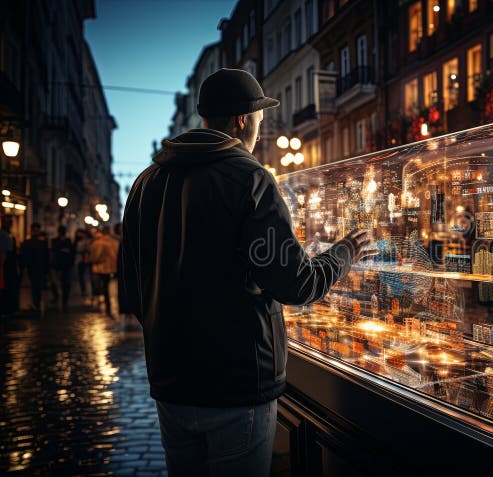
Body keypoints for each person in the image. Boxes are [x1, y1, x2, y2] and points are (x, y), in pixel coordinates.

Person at [120, 68, 373, 477]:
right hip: (238, 386)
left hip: (171, 383)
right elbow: (297, 282)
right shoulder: (250, 179)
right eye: (259, 117)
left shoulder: (146, 183)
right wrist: (344, 252)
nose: (260, 127)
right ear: (242, 120)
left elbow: (133, 290)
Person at [89, 226, 118, 317]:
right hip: (112, 268)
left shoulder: (98, 243)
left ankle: (106, 304)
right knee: (108, 286)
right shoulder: (114, 242)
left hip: (101, 268)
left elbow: (95, 257)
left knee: (102, 286)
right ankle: (107, 304)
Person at [19, 223, 49, 312]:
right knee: (36, 286)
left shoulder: (35, 243)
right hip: (34, 267)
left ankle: (36, 303)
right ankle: (36, 303)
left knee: (36, 286)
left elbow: (46, 257)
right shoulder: (39, 243)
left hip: (35, 267)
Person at [50, 225, 75, 311]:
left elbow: (71, 251)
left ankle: (64, 299)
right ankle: (57, 296)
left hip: (66, 265)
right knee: (56, 282)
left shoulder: (68, 241)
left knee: (65, 283)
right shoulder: (55, 241)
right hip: (58, 265)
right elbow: (55, 250)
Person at [74, 229, 91, 299]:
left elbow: (88, 249)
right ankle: (83, 290)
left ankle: (88, 291)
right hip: (80, 260)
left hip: (86, 260)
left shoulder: (87, 241)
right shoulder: (77, 241)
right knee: (81, 276)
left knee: (87, 276)